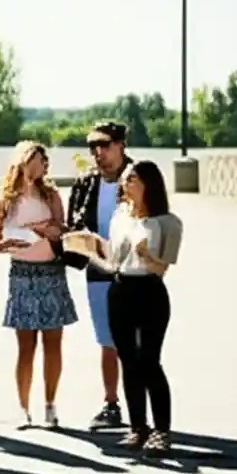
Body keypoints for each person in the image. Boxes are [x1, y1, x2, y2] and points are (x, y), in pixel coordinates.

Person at [64, 160, 182, 455]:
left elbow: (160, 269)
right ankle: (138, 427)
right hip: (120, 288)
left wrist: (146, 254)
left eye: (132, 180)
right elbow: (114, 259)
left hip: (150, 291)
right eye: (125, 180)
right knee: (128, 360)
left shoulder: (165, 222)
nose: (125, 184)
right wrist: (90, 246)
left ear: (147, 186)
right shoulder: (120, 216)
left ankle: (162, 431)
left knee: (150, 361)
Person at [0, 141, 78, 428]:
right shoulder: (4, 201)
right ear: (23, 161)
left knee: (53, 343)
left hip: (51, 272)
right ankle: (23, 407)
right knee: (25, 346)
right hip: (22, 275)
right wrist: (24, 234)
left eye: (44, 161)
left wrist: (50, 231)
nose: (41, 166)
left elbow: (60, 232)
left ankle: (50, 405)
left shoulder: (51, 196)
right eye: (36, 160)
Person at [59, 120, 134, 430]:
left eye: (104, 146)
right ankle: (111, 404)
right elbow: (73, 223)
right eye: (92, 148)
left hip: (134, 273)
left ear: (120, 145)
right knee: (107, 342)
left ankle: (142, 411)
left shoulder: (138, 177)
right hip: (98, 271)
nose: (98, 153)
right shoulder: (86, 182)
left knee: (136, 344)